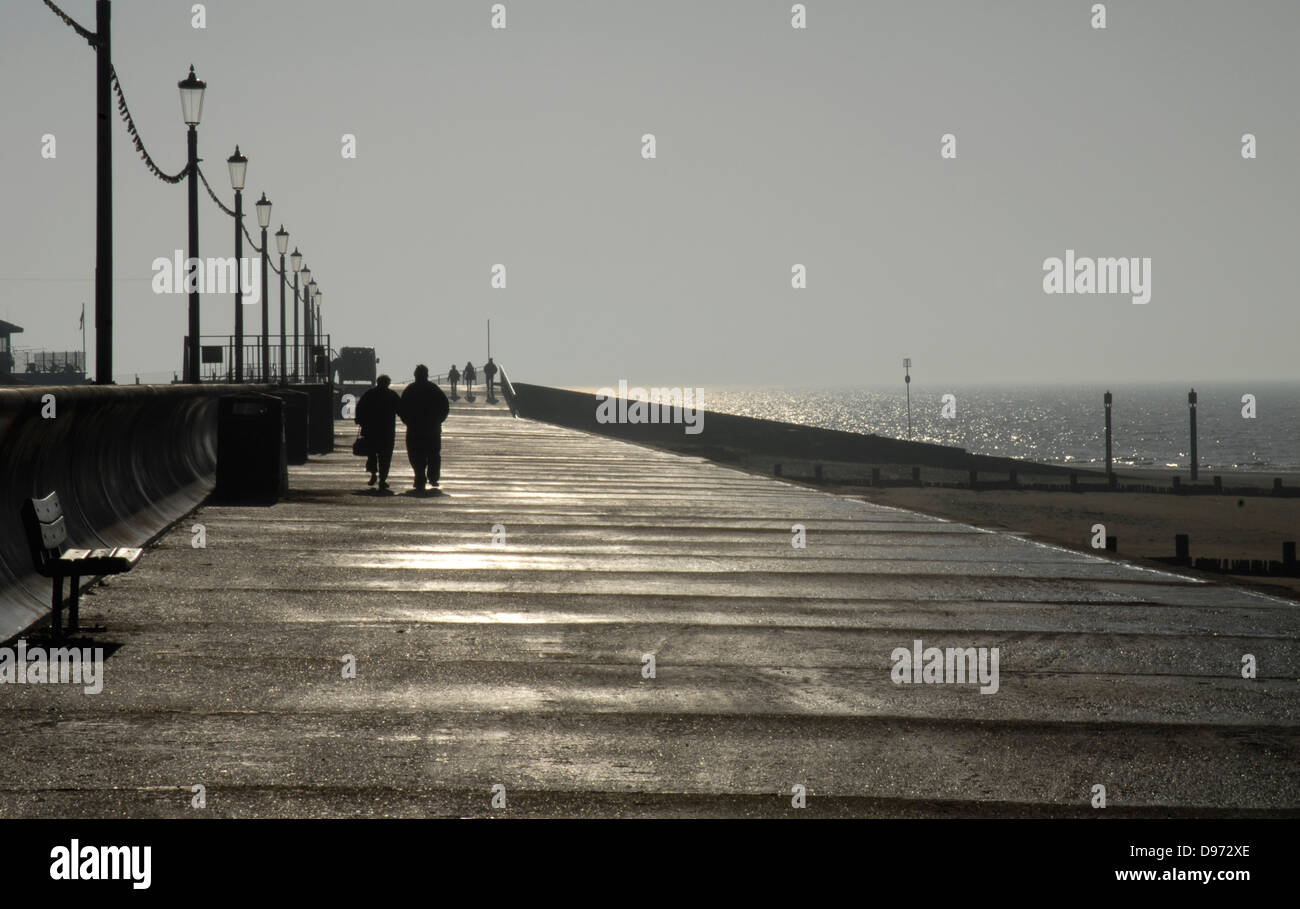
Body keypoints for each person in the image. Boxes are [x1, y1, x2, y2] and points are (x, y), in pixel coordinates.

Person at [398, 364, 450, 490]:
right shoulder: (434, 389)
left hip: (415, 428)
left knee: (415, 454)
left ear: (415, 375)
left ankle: (420, 476)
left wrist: (408, 421)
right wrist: (438, 421)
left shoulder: (410, 389)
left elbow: (402, 408)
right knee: (433, 454)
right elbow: (445, 407)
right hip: (432, 428)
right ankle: (432, 477)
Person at [355, 374, 400, 490]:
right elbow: (401, 409)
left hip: (371, 429)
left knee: (372, 453)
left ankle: (373, 473)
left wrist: (359, 419)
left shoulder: (369, 393)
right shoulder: (392, 395)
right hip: (387, 431)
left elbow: (360, 407)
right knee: (386, 456)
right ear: (388, 383)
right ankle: (383, 479)